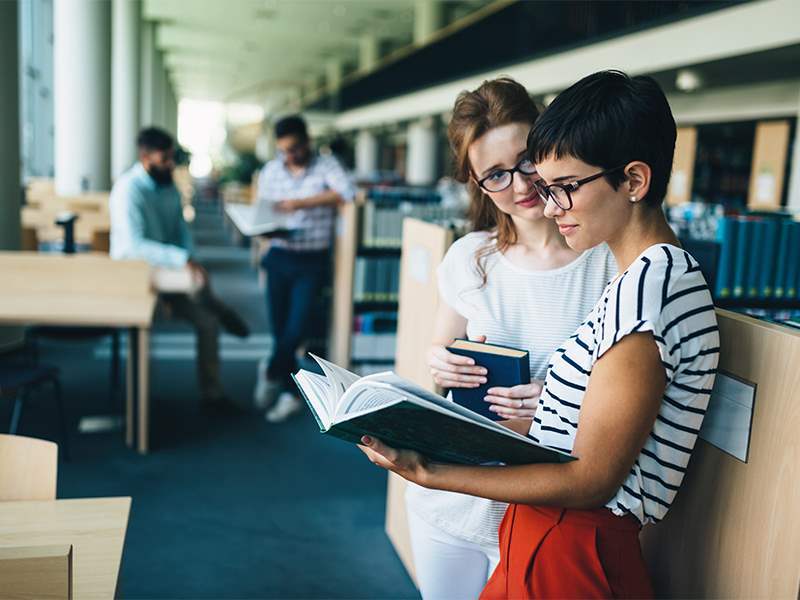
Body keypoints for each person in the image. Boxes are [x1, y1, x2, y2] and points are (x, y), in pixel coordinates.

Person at [360, 70, 719, 599]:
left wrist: (432, 471)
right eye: (498, 176)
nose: (542, 200)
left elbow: (590, 480)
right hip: (544, 530)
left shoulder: (647, 287)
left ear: (634, 182)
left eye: (563, 186)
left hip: (570, 539)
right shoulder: (639, 280)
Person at [405, 78, 617, 600]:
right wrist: (440, 362)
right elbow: (440, 359)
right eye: (496, 175)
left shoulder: (608, 263)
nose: (520, 185)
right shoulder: (469, 257)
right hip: (452, 500)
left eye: (527, 161)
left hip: (544, 510)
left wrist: (560, 401)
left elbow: (623, 397)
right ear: (477, 184)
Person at [110, 127, 249, 409]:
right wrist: (182, 260)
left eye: (171, 157)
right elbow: (134, 245)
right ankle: (221, 309)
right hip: (135, 271)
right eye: (164, 159)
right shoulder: (128, 190)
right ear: (145, 158)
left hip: (166, 269)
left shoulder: (168, 187)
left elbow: (180, 229)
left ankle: (212, 394)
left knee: (207, 323)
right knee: (197, 283)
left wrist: (190, 257)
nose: (170, 164)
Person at [253, 115, 356, 422]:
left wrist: (300, 204)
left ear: (307, 141)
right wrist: (264, 228)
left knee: (296, 330)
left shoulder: (327, 165)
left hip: (311, 260)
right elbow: (263, 210)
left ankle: (271, 369)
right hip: (278, 255)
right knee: (279, 330)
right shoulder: (271, 170)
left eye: (295, 148)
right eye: (284, 150)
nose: (290, 155)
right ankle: (289, 393)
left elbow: (346, 192)